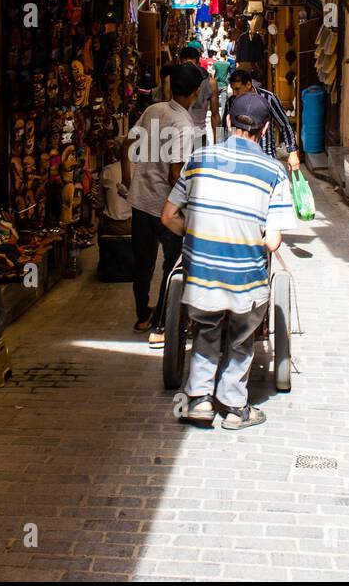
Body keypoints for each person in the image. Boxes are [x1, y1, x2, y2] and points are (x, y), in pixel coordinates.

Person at [161, 92, 297, 430]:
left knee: (206, 329)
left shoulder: (199, 158)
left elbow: (168, 216)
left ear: (227, 122)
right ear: (265, 129)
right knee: (241, 336)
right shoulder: (274, 171)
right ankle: (235, 406)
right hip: (244, 283)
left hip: (201, 277)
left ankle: (199, 401)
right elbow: (273, 240)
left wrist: (197, 234)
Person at [123, 62, 206, 334]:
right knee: (172, 264)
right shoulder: (183, 123)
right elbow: (175, 174)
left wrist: (128, 178)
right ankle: (160, 320)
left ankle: (141, 316)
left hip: (140, 200)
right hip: (165, 205)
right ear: (195, 92)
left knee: (143, 263)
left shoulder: (152, 110)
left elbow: (127, 143)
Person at [227, 68, 299, 172]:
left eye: (237, 89)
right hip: (240, 157)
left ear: (248, 84)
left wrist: (292, 152)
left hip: (266, 156)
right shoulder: (232, 101)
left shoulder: (269, 98)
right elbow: (225, 129)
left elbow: (284, 124)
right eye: (233, 89)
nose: (234, 93)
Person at [178, 45, 218, 148]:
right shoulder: (210, 82)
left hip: (178, 135)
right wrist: (217, 145)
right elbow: (215, 114)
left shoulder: (172, 79)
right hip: (199, 136)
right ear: (197, 61)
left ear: (180, 61)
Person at [99, 139, 132, 236]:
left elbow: (100, 202)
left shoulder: (107, 171)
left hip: (113, 225)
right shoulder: (137, 169)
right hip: (131, 224)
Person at [211, 49, 231, 142]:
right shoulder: (227, 64)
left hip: (216, 85)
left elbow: (213, 74)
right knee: (224, 105)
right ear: (226, 56)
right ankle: (223, 122)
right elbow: (229, 74)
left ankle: (215, 120)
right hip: (224, 86)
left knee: (214, 105)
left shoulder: (216, 64)